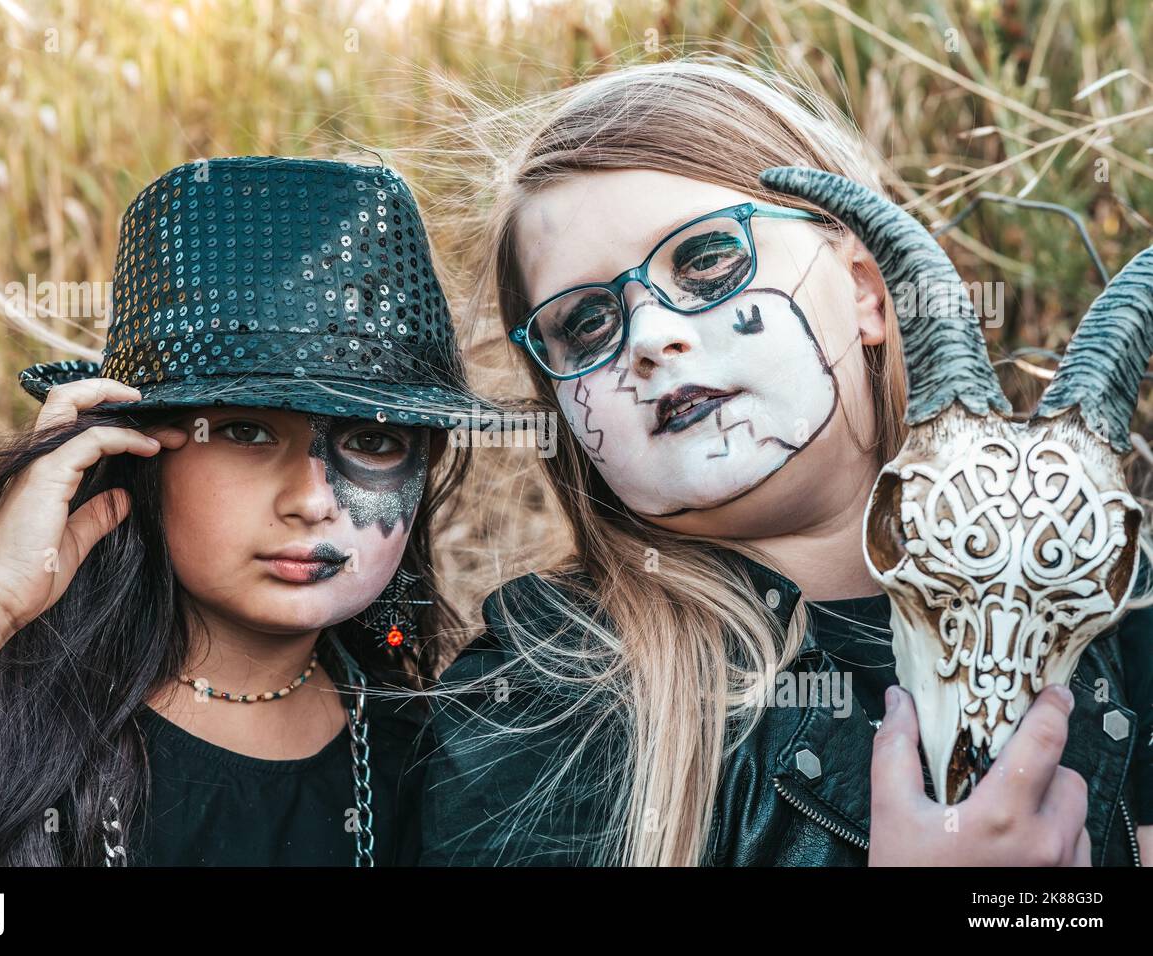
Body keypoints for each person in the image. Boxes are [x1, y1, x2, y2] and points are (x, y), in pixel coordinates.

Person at [418, 58, 1153, 866]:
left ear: (868, 290)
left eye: (704, 261)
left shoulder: (1125, 631)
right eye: (587, 323)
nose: (649, 338)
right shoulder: (542, 699)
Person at [0, 155, 480, 866]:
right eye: (247, 432)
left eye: (373, 441)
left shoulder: (436, 766)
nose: (311, 501)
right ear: (138, 444)